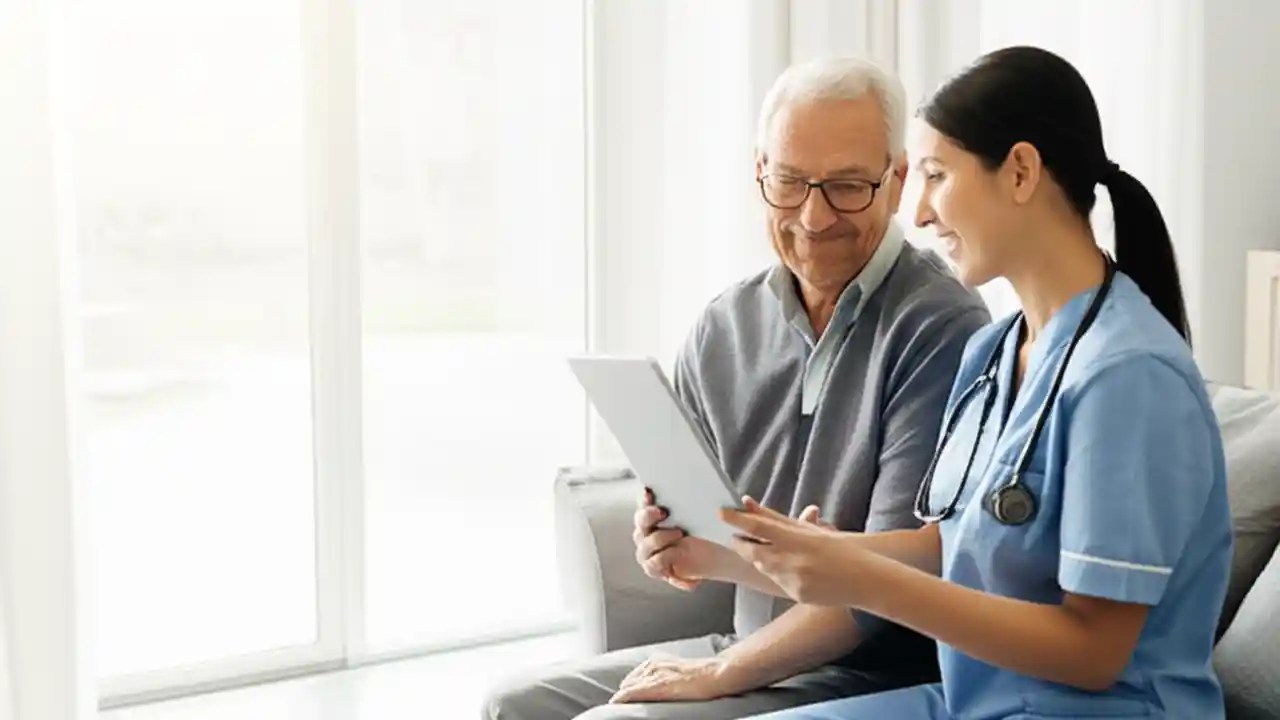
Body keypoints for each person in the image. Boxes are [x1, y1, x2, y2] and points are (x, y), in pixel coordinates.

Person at [725, 46, 1233, 720]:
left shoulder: (1129, 376)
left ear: (1020, 171)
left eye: (936, 176)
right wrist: (799, 549)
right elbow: (954, 545)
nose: (920, 213)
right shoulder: (993, 353)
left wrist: (864, 580)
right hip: (975, 703)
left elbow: (1094, 652)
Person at [483, 58, 989, 720]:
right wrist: (673, 543)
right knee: (512, 706)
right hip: (749, 649)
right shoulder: (725, 327)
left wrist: (720, 674)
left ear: (896, 181)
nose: (814, 217)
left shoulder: (942, 326)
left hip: (871, 675)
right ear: (760, 173)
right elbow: (719, 539)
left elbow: (886, 589)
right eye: (789, 182)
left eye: (846, 187)